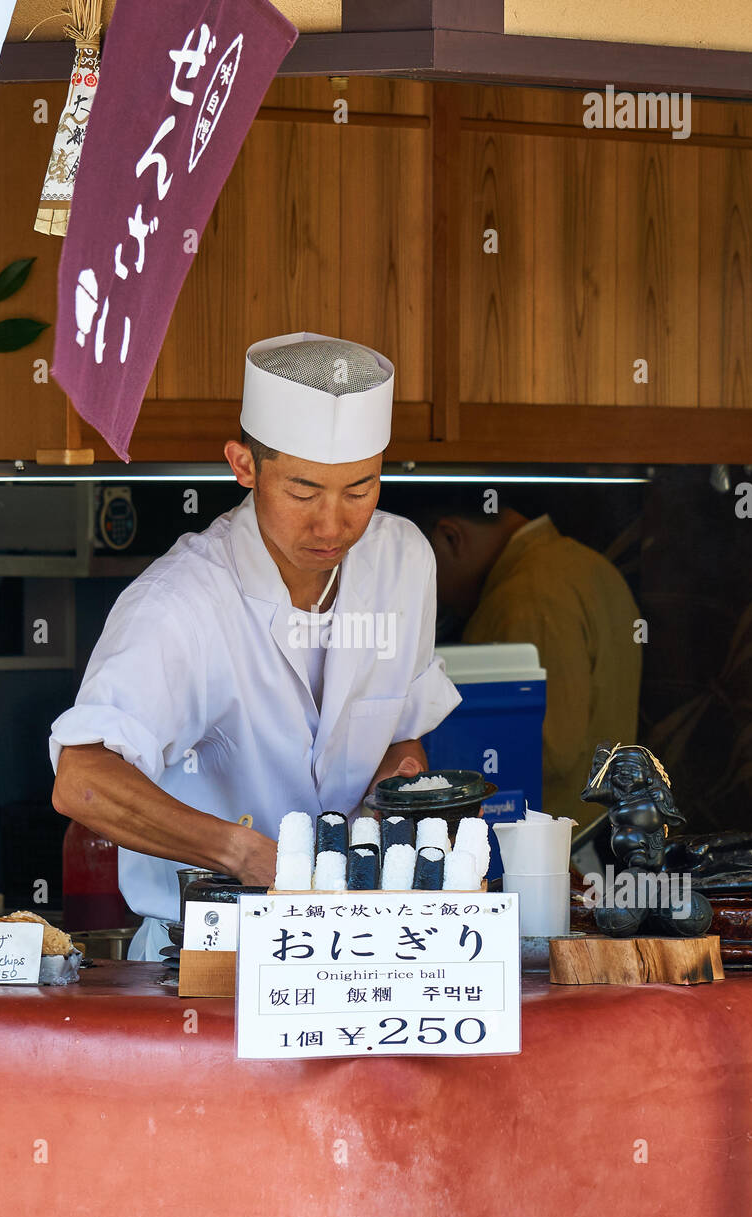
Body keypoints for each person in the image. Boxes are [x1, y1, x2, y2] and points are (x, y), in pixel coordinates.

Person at [50, 332, 461, 959]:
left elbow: (401, 735)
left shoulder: (402, 561)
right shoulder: (181, 602)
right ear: (244, 465)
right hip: (201, 956)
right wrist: (244, 854)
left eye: (360, 490)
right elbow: (83, 782)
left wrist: (387, 812)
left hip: (353, 946)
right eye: (302, 492)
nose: (333, 525)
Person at [421, 490, 642, 831]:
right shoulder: (588, 564)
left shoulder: (524, 595)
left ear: (450, 537)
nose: (428, 593)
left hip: (546, 845)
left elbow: (548, 752)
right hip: (593, 833)